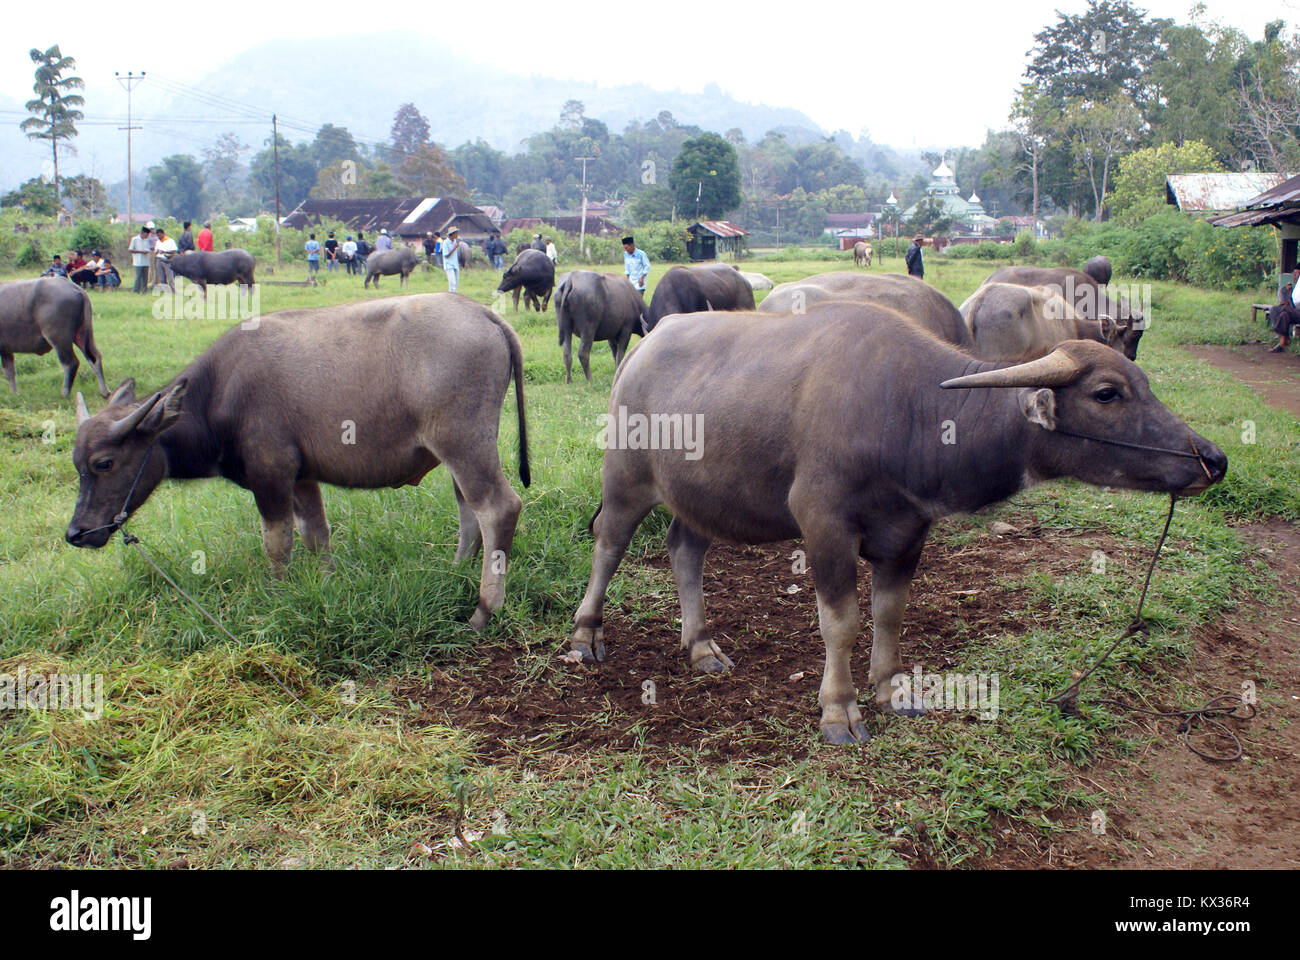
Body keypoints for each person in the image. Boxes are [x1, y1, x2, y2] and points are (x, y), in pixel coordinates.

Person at [1267, 267, 1300, 352]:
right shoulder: (1294, 286)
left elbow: (1297, 301)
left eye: (1297, 274)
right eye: (1294, 273)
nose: (1295, 276)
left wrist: (1288, 300)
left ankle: (1282, 339)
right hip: (1293, 310)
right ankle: (1284, 339)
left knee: (1284, 310)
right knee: (1275, 310)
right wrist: (1288, 295)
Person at [129, 225, 153, 293]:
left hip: (146, 261)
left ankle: (144, 290)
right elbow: (130, 249)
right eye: (147, 234)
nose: (147, 236)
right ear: (142, 233)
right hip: (138, 261)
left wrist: (147, 251)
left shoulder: (147, 240)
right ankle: (135, 290)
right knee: (138, 276)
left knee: (145, 277)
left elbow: (148, 248)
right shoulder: (135, 239)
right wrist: (141, 251)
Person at [441, 227, 464, 293]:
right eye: (456, 233)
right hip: (449, 265)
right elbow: (446, 256)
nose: (457, 235)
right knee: (452, 283)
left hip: (455, 264)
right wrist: (454, 248)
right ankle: (451, 298)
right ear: (452, 234)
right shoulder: (445, 242)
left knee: (456, 283)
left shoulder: (455, 241)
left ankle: (454, 297)